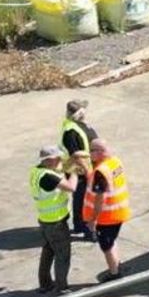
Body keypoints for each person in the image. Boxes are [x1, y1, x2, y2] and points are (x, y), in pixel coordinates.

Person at [30, 146, 77, 294]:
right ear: (49, 161)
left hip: (44, 220)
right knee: (63, 255)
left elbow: (58, 171)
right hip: (56, 223)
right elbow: (71, 187)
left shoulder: (36, 171)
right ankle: (61, 288)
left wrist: (64, 164)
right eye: (57, 159)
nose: (59, 161)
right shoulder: (48, 177)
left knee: (48, 252)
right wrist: (74, 172)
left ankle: (45, 284)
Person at [83, 139, 131, 282]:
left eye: (91, 150)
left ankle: (114, 273)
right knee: (112, 240)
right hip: (120, 211)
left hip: (106, 217)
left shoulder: (101, 172)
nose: (89, 153)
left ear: (99, 152)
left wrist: (92, 220)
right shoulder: (115, 161)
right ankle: (117, 265)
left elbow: (99, 199)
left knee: (106, 245)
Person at [59, 99, 97, 241]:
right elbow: (76, 154)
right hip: (79, 170)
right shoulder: (71, 131)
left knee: (81, 198)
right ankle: (86, 229)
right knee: (85, 199)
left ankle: (79, 224)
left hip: (85, 168)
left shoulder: (79, 125)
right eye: (83, 109)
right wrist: (88, 172)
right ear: (79, 113)